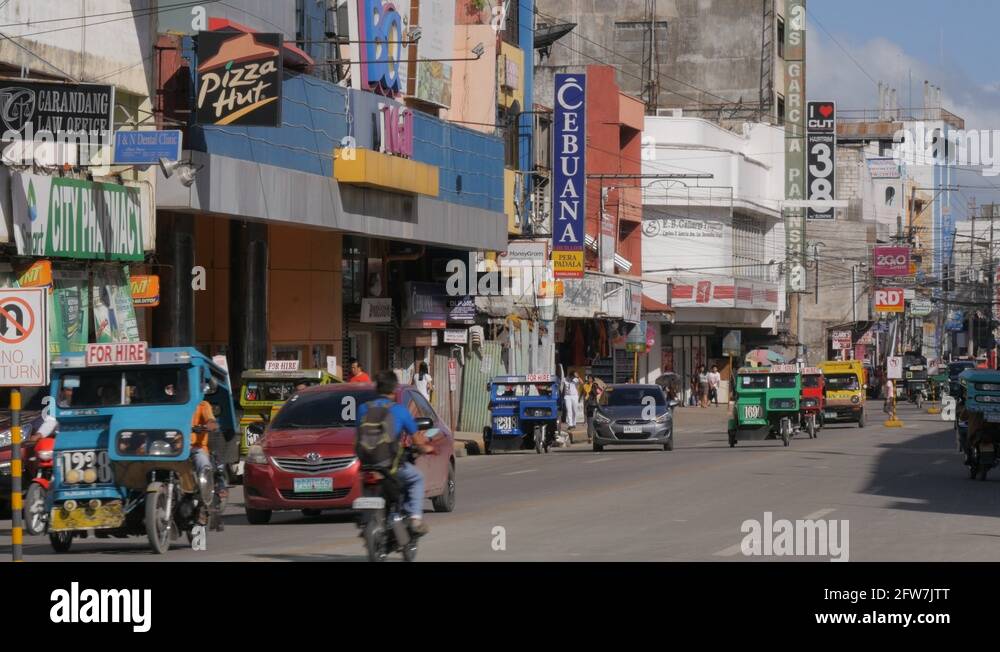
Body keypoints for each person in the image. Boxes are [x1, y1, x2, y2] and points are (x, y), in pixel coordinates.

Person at [358, 371, 435, 535]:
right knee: (416, 478)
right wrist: (427, 448)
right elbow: (417, 441)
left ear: (376, 389)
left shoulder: (362, 409)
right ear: (394, 390)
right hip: (391, 468)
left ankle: (368, 519)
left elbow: (357, 436)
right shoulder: (400, 411)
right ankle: (415, 519)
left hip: (367, 467)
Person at [190, 388, 220, 524]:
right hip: (171, 450)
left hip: (196, 448)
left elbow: (210, 420)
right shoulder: (169, 405)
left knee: (204, 466)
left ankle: (204, 506)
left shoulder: (202, 405)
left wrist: (210, 425)